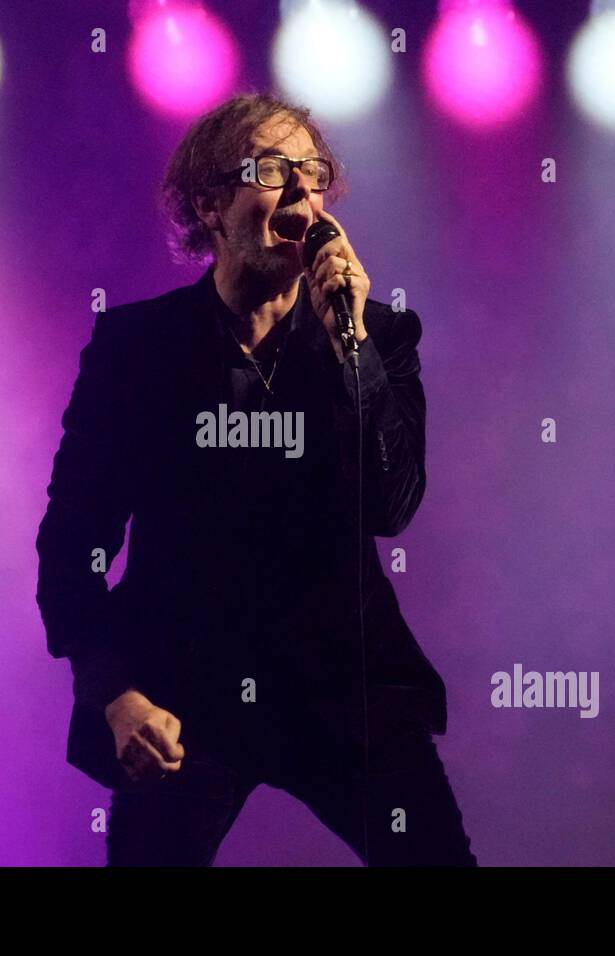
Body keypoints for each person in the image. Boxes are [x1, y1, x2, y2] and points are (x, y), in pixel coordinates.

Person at [36, 92, 477, 867]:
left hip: (342, 689)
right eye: (276, 169)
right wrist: (113, 691)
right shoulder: (137, 351)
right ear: (210, 205)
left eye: (316, 172)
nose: (304, 189)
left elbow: (394, 504)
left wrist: (353, 347)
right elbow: (73, 542)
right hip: (185, 695)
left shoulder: (378, 338)